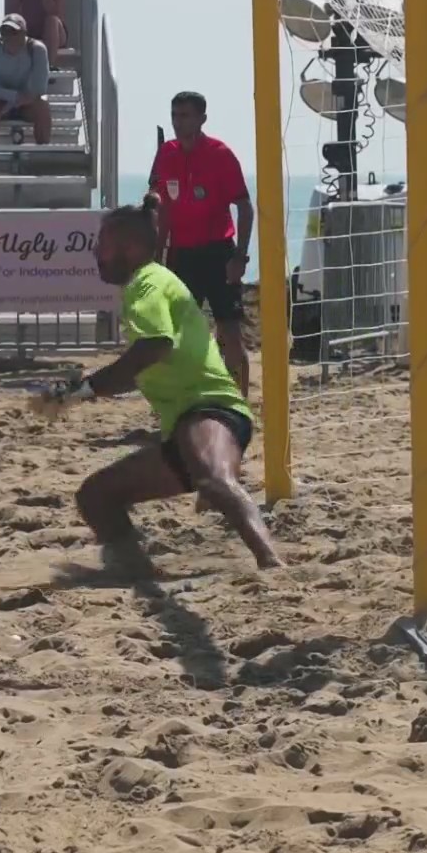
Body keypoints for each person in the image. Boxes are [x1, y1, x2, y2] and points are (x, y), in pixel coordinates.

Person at [52, 194, 280, 572]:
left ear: (130, 247)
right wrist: (84, 389)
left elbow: (155, 346)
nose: (95, 253)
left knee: (215, 481)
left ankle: (271, 563)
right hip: (182, 429)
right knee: (95, 497)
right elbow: (141, 364)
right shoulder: (142, 287)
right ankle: (135, 570)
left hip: (211, 410)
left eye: (102, 245)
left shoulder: (148, 283)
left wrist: (87, 389)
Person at [148, 91, 252, 395]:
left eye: (186, 116)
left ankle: (240, 404)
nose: (179, 122)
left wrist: (240, 258)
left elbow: (244, 207)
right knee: (178, 334)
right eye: (175, 116)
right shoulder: (166, 153)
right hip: (182, 255)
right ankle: (187, 401)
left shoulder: (220, 154)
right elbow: (163, 208)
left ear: (202, 119)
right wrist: (158, 258)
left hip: (218, 252)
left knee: (230, 333)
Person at [0, 13, 51, 149]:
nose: (8, 36)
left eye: (13, 31)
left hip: (26, 104)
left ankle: (43, 154)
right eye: (4, 31)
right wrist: (13, 97)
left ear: (24, 33)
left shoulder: (37, 49)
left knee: (42, 105)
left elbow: (38, 89)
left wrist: (9, 106)